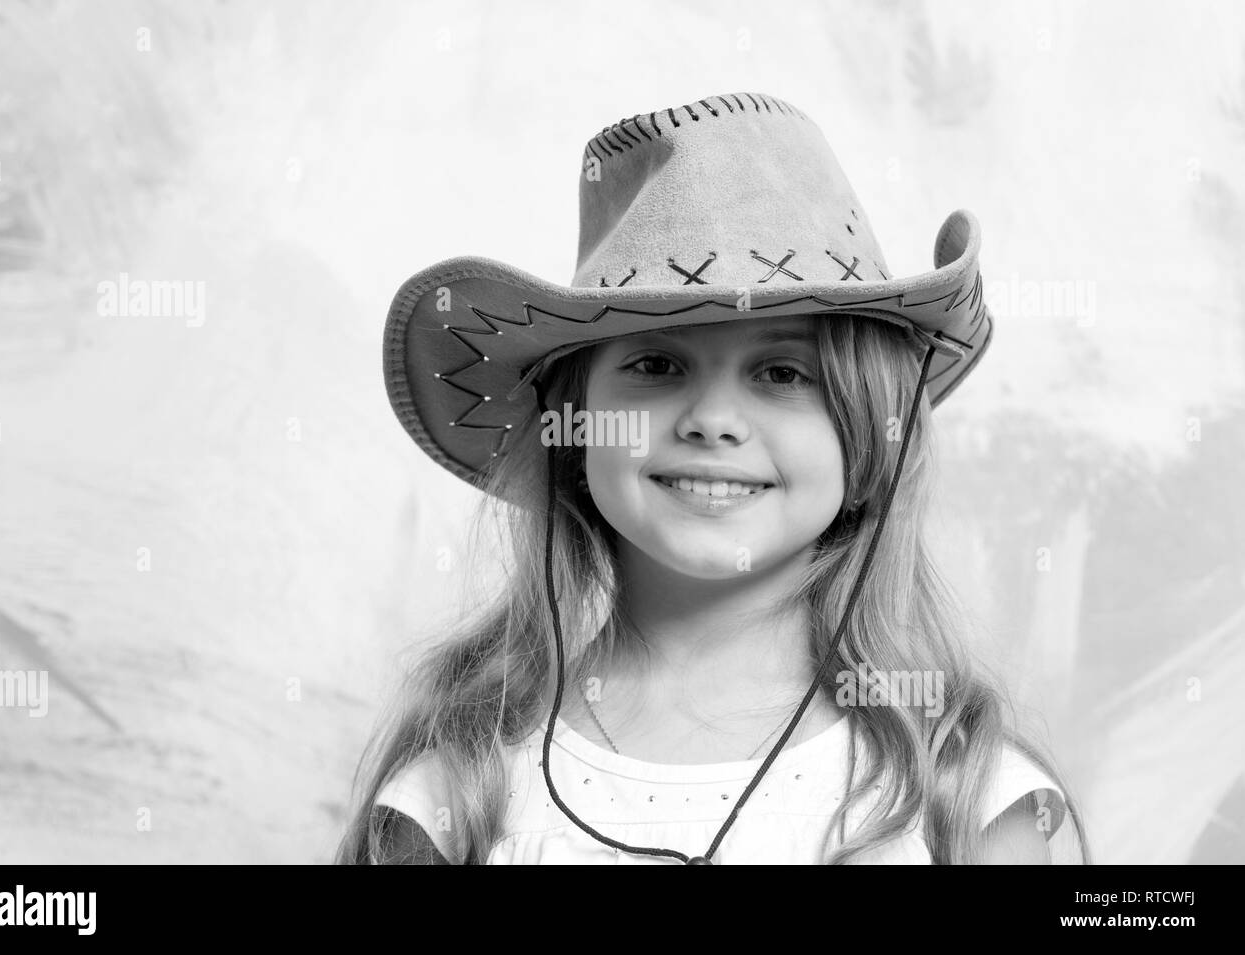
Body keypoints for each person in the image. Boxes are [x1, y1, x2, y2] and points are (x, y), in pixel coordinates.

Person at [338, 91, 1090, 865]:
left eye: (782, 371)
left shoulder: (967, 800)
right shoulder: (462, 790)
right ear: (574, 429)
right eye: (656, 364)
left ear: (867, 439)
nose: (713, 419)